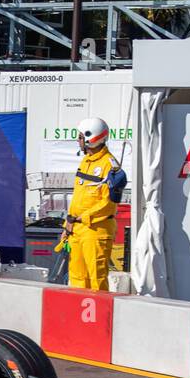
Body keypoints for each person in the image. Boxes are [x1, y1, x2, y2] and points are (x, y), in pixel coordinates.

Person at [63, 116, 127, 291]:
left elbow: (108, 204)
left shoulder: (110, 165)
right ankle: (79, 315)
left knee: (96, 280)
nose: (78, 140)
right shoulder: (86, 161)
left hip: (96, 231)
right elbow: (79, 197)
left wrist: (82, 219)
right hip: (77, 230)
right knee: (76, 277)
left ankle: (98, 316)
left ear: (91, 138)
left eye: (81, 137)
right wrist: (68, 223)